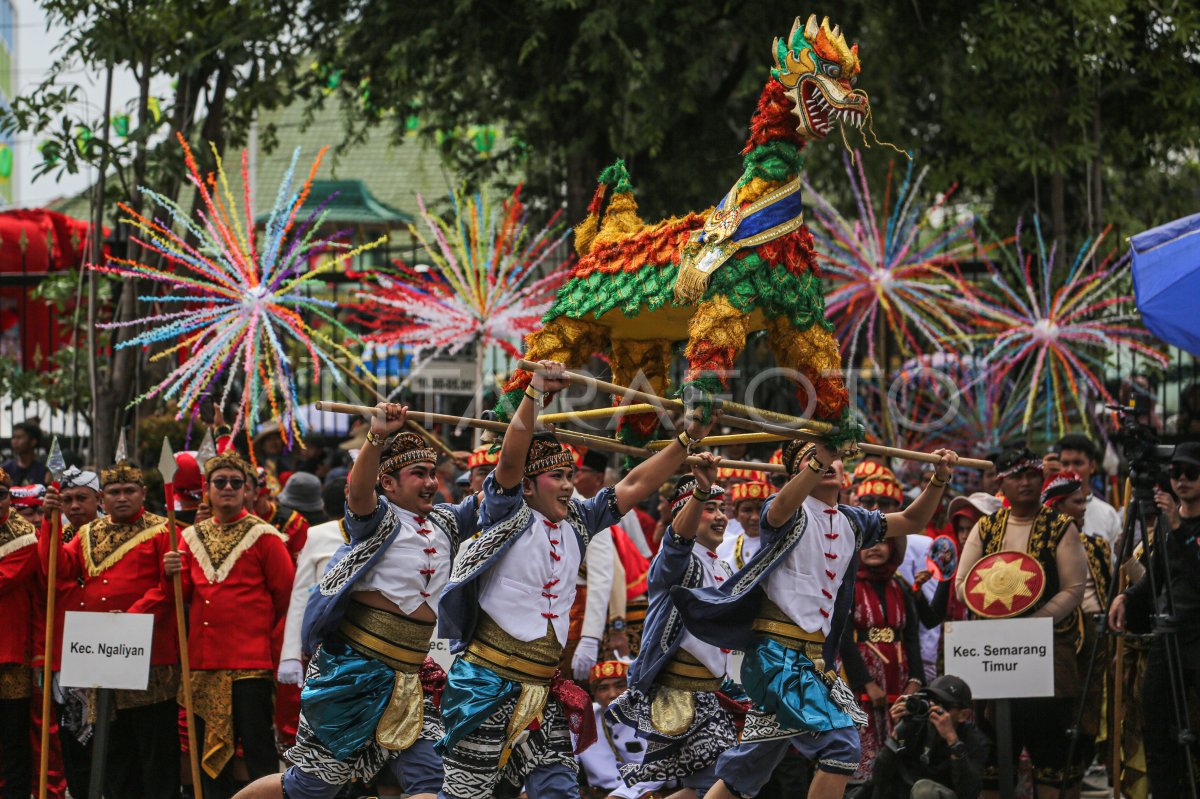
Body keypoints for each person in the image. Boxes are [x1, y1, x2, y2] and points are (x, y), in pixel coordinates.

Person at [434, 359, 716, 799]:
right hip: (484, 685)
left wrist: (686, 440)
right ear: (527, 486)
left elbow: (635, 483)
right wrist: (535, 393)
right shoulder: (505, 511)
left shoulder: (580, 521)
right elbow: (511, 457)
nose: (568, 485)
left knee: (559, 789)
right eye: (556, 477)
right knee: (467, 794)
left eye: (570, 476)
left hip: (544, 689)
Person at [673, 438, 959, 799]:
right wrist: (819, 458)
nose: (825, 463)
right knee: (842, 748)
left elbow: (914, 520)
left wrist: (939, 478)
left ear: (843, 471)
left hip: (814, 662)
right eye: (812, 459)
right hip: (777, 658)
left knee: (747, 770)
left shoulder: (853, 520)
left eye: (830, 457)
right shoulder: (786, 509)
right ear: (799, 474)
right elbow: (779, 510)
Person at [235, 408, 479, 799]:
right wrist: (376, 435)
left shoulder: (447, 522)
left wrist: (528, 409)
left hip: (410, 677)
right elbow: (359, 492)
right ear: (389, 483)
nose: (431, 482)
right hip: (353, 673)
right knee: (310, 788)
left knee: (433, 781)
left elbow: (502, 488)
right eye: (418, 473)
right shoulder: (376, 520)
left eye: (433, 473)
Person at [40, 457, 181, 799]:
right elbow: (58, 570)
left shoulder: (165, 531)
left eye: (129, 490)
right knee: (115, 750)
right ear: (103, 498)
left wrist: (129, 619)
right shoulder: (87, 533)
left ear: (143, 493)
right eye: (115, 492)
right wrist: (49, 523)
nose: (122, 497)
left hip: (149, 656)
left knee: (155, 749)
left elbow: (168, 591)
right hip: (104, 655)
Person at [955, 448, 1088, 798]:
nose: (1025, 482)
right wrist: (997, 614)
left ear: (1041, 478)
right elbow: (962, 584)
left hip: (1048, 651)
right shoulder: (986, 527)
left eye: (1031, 475)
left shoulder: (1061, 526)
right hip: (992, 652)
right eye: (1016, 476)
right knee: (991, 753)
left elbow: (1074, 589)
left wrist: (1031, 627)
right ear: (1001, 483)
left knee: (1052, 753)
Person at [164, 450, 294, 799]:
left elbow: (285, 597)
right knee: (208, 754)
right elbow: (181, 596)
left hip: (250, 663)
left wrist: (271, 650)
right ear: (206, 489)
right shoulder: (190, 537)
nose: (228, 488)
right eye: (219, 482)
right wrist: (170, 573)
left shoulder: (265, 536)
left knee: (257, 750)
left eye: (236, 483)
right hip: (203, 663)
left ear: (247, 490)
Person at [608, 455, 737, 797]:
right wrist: (700, 492)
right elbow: (677, 540)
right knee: (722, 779)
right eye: (709, 509)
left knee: (705, 785)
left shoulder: (724, 567)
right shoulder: (675, 562)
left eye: (721, 508)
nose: (720, 516)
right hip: (678, 692)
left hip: (712, 692)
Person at [1108, 441, 1200, 798]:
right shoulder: (1164, 523)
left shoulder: (1172, 523)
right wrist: (1127, 597)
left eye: (1191, 473)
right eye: (1176, 473)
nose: (1182, 480)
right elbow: (1156, 577)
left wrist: (1177, 527)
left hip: (1197, 635)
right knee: (1156, 721)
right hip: (1167, 635)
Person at [1041, 471, 1111, 784]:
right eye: (1076, 502)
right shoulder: (1043, 548)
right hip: (1063, 634)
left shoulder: (1098, 546)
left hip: (1099, 633)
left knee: (1096, 705)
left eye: (1084, 502)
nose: (1083, 508)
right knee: (1067, 705)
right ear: (1057, 506)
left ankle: (1084, 767)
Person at [840, 533, 926, 784]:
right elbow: (843, 638)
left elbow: (912, 637)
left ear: (892, 548)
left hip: (899, 677)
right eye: (867, 544)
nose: (874, 548)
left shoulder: (900, 586)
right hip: (861, 679)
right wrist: (866, 683)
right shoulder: (848, 586)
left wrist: (916, 680)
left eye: (881, 543)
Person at [42, 466, 99, 798]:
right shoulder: (56, 536)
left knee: (108, 736)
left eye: (82, 498)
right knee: (71, 733)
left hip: (111, 646)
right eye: (67, 500)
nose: (74, 506)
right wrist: (48, 522)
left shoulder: (110, 532)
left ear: (98, 499)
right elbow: (51, 572)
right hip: (68, 647)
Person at [276, 478, 348, 688]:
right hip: (326, 651)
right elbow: (301, 595)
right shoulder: (318, 535)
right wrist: (290, 654)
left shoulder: (395, 533)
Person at [869, 675, 989, 799]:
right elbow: (879, 779)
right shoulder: (915, 725)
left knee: (925, 790)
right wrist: (897, 733)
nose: (933, 707)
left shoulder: (974, 739)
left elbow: (969, 792)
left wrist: (953, 741)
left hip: (944, 794)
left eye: (943, 705)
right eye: (930, 700)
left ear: (964, 715)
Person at [576, 660, 665, 799]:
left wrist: (619, 796)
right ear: (594, 694)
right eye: (603, 688)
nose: (613, 694)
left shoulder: (653, 716)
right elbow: (566, 763)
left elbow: (659, 768)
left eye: (620, 686)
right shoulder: (582, 719)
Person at [567, 448, 620, 679]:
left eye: (567, 474)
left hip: (574, 615)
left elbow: (601, 576)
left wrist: (590, 636)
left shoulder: (586, 509)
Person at [0, 466, 37, 799]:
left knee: (13, 737)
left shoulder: (24, 535)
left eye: (1, 495)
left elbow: (4, 580)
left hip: (10, 652)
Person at [1044, 434, 1122, 550]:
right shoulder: (1046, 511)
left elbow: (1115, 559)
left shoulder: (1108, 514)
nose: (1070, 469)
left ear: (1092, 466)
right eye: (1065, 464)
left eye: (1077, 463)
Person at [716, 481, 770, 570]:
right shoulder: (722, 546)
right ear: (736, 514)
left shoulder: (780, 544)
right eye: (747, 510)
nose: (755, 517)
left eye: (761, 509)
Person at [3, 421, 48, 486]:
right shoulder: (6, 469)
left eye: (19, 437)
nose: (14, 441)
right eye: (13, 437)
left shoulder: (43, 471)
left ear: (33, 441)